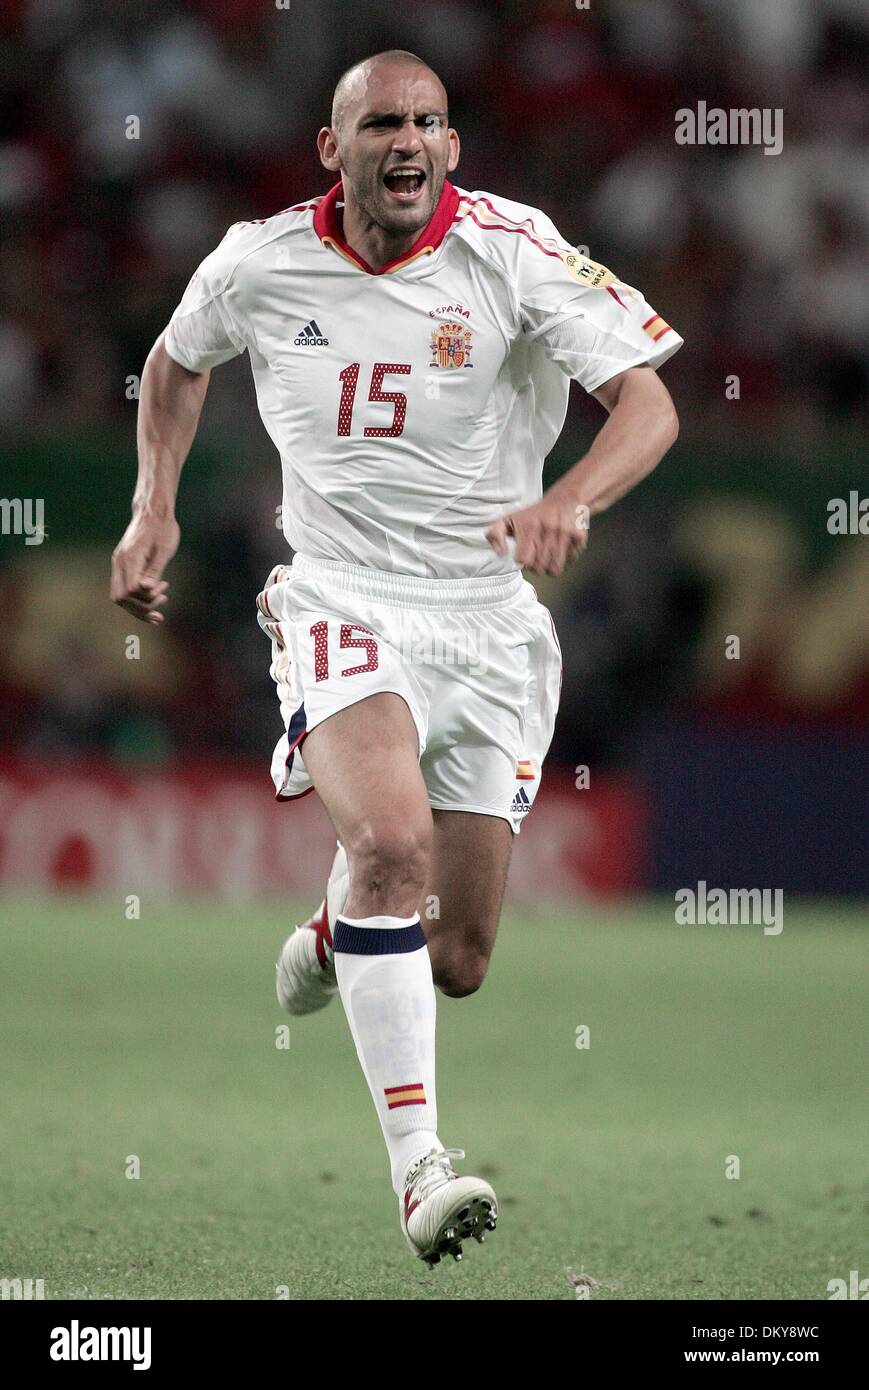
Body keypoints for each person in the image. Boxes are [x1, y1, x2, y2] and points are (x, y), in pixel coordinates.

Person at [111, 49, 681, 1266]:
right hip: (341, 594)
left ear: (451, 146)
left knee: (457, 957)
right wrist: (152, 508)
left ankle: (334, 935)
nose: (406, 141)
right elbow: (171, 363)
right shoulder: (259, 261)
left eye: (426, 122)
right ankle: (420, 1166)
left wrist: (569, 498)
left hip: (487, 620)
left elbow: (647, 403)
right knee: (386, 843)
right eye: (380, 124)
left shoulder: (513, 252)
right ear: (334, 149)